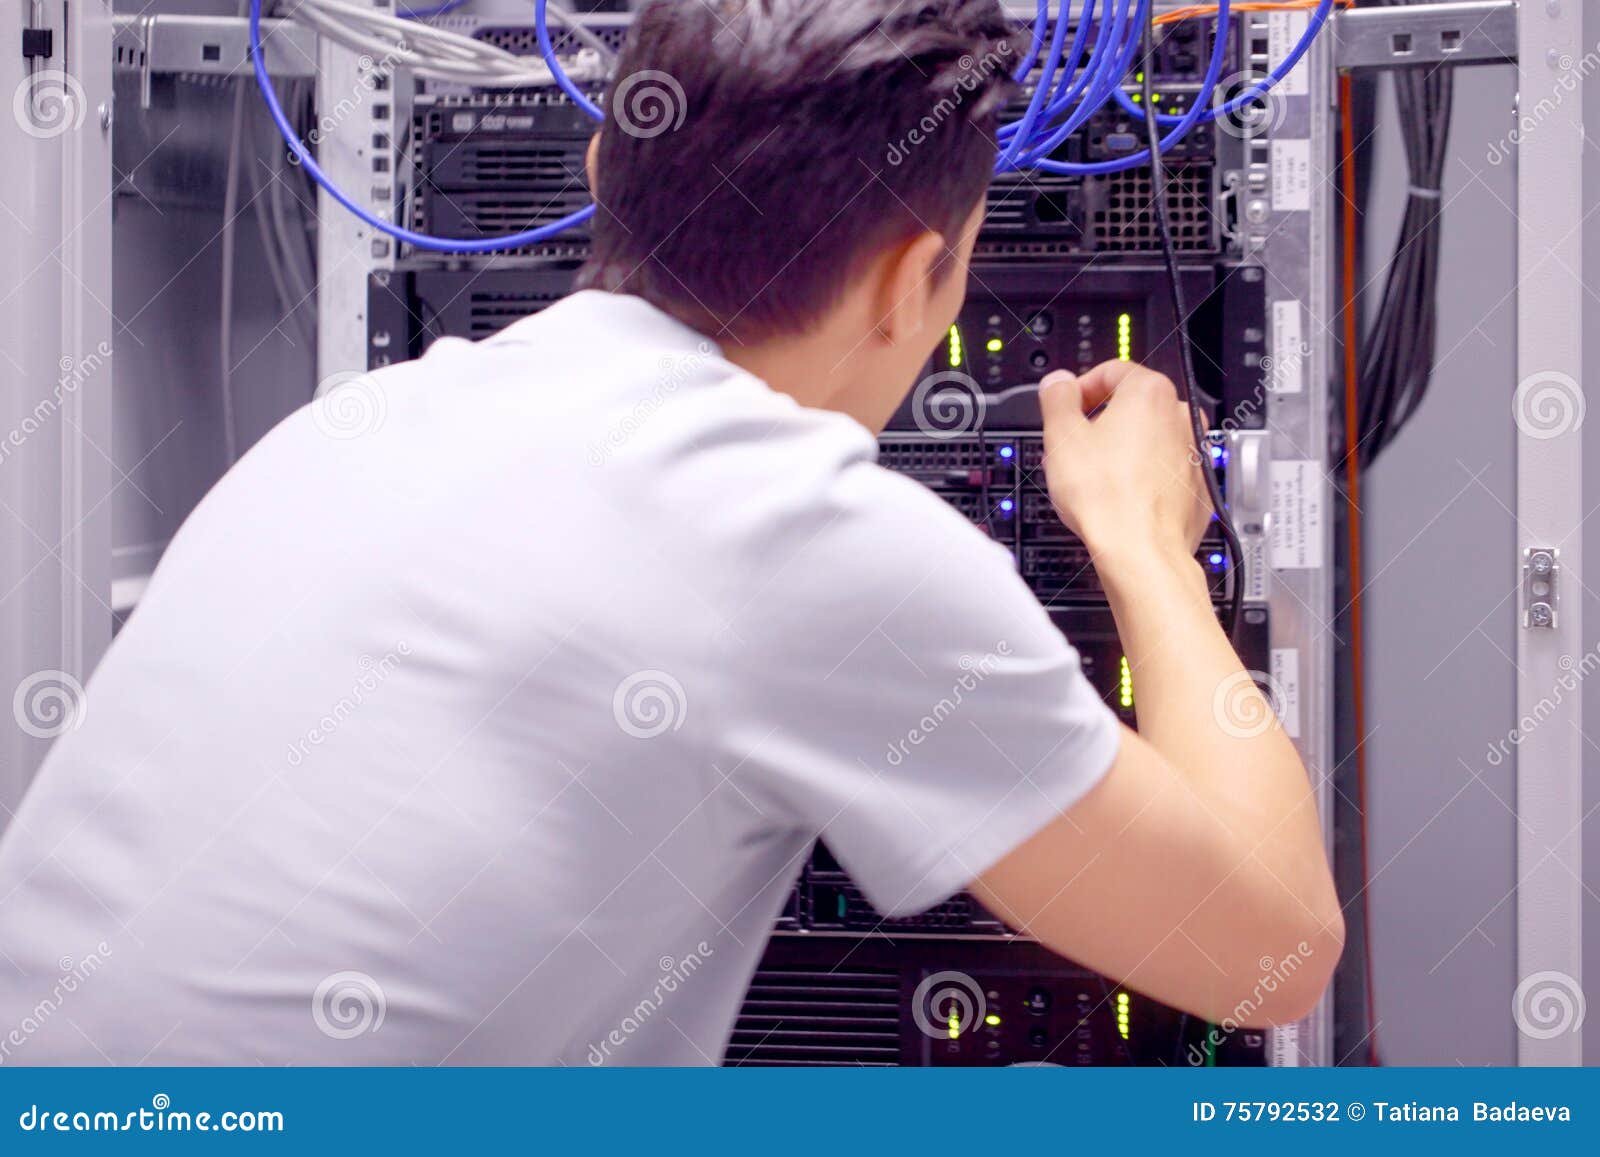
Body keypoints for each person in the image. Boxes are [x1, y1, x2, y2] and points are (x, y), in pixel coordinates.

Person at [0, 0, 1340, 1065]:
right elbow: (1274, 955)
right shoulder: (797, 528)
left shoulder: (347, 429)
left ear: (602, 167)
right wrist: (1145, 535)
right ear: (903, 277)